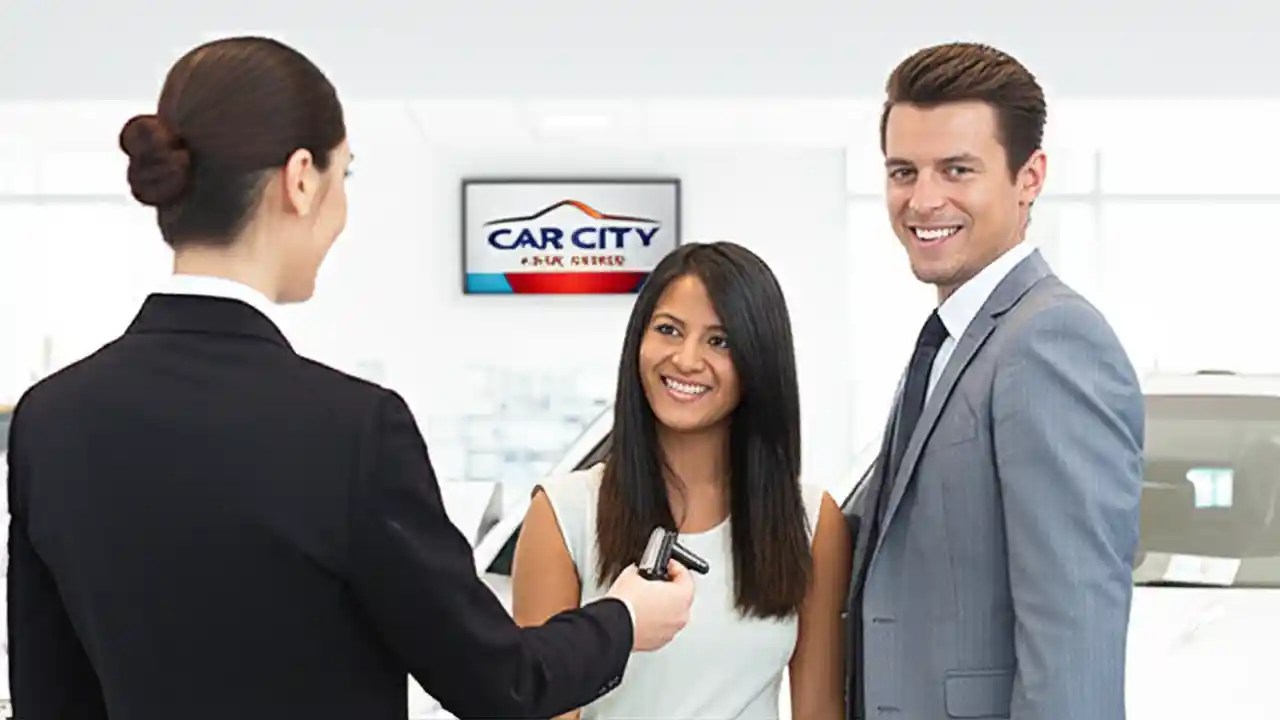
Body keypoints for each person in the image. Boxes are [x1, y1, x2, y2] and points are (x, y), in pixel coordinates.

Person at [4, 36, 695, 720]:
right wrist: (625, 619)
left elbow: (48, 695)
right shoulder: (353, 430)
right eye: (346, 177)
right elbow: (499, 682)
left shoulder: (50, 418)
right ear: (300, 179)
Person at [846, 42, 1145, 719]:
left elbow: (1075, 637)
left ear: (1029, 177)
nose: (923, 200)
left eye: (957, 170)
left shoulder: (1052, 343)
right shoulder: (954, 343)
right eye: (903, 172)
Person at [512, 242, 852, 719]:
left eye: (720, 340)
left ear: (759, 359)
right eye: (669, 330)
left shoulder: (812, 522)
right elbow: (543, 707)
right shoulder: (564, 513)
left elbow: (819, 711)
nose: (686, 360)